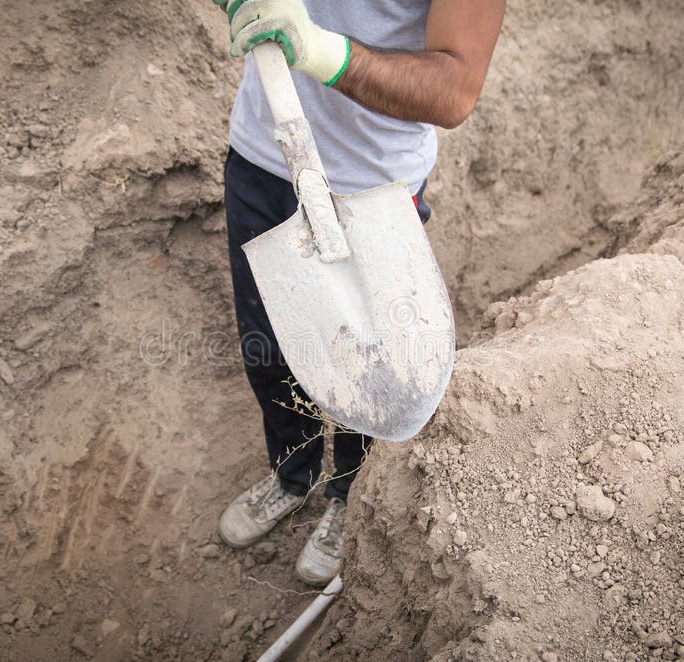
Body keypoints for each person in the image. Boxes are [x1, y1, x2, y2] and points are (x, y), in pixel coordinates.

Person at [216, 0, 505, 585]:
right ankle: (292, 474)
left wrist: (324, 53)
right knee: (269, 351)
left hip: (370, 192)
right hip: (259, 155)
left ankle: (350, 498)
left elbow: (455, 89)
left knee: (368, 369)